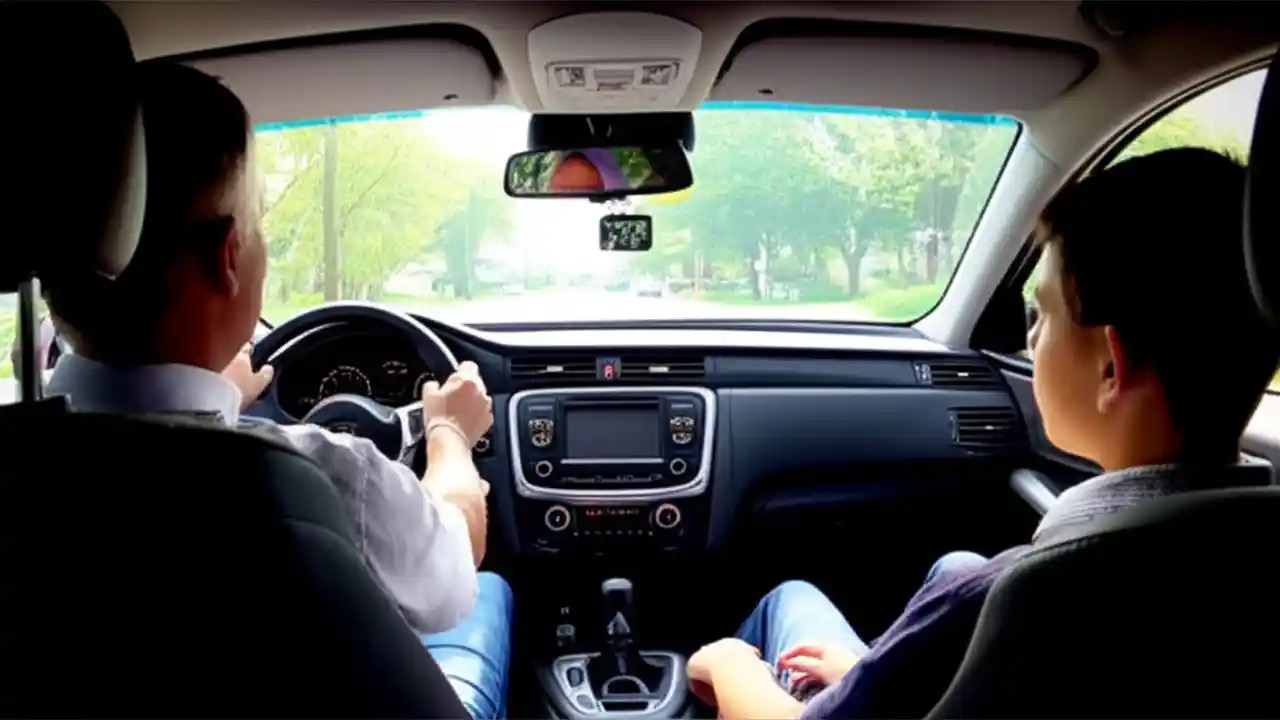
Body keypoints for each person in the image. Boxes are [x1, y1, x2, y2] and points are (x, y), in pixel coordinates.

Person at [686, 147, 1280, 719]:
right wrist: (871, 675)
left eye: (1041, 315)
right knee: (955, 561)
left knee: (788, 600)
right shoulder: (1251, 552)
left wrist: (729, 662)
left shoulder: (1010, 598)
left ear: (1109, 366)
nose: (1030, 341)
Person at [41, 62, 512, 719]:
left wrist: (213, 393)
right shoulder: (320, 481)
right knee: (491, 595)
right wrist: (450, 435)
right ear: (230, 254)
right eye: (258, 218)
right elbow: (458, 561)